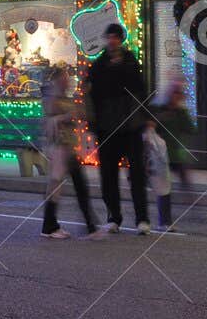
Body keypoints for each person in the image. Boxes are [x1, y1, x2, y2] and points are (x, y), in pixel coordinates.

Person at [87, 23, 152, 234]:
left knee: (137, 174)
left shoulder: (131, 62)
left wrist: (146, 118)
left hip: (131, 125)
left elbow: (142, 91)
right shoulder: (98, 66)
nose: (113, 40)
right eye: (110, 37)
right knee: (108, 175)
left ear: (121, 40)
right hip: (107, 127)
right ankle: (114, 217)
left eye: (116, 37)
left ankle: (142, 219)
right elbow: (92, 97)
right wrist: (93, 124)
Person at [39, 65, 100, 239]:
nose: (67, 81)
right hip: (59, 148)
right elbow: (49, 120)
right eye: (64, 78)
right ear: (57, 80)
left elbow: (80, 115)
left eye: (67, 78)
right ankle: (50, 226)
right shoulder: (52, 99)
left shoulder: (65, 98)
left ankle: (90, 226)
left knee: (79, 186)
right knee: (57, 186)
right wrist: (67, 117)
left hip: (69, 148)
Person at [150, 82, 196, 233]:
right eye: (175, 94)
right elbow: (152, 128)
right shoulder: (160, 110)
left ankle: (193, 212)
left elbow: (190, 129)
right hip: (162, 155)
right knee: (164, 189)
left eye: (179, 95)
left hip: (176, 155)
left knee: (185, 184)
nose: (177, 98)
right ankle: (164, 221)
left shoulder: (180, 112)